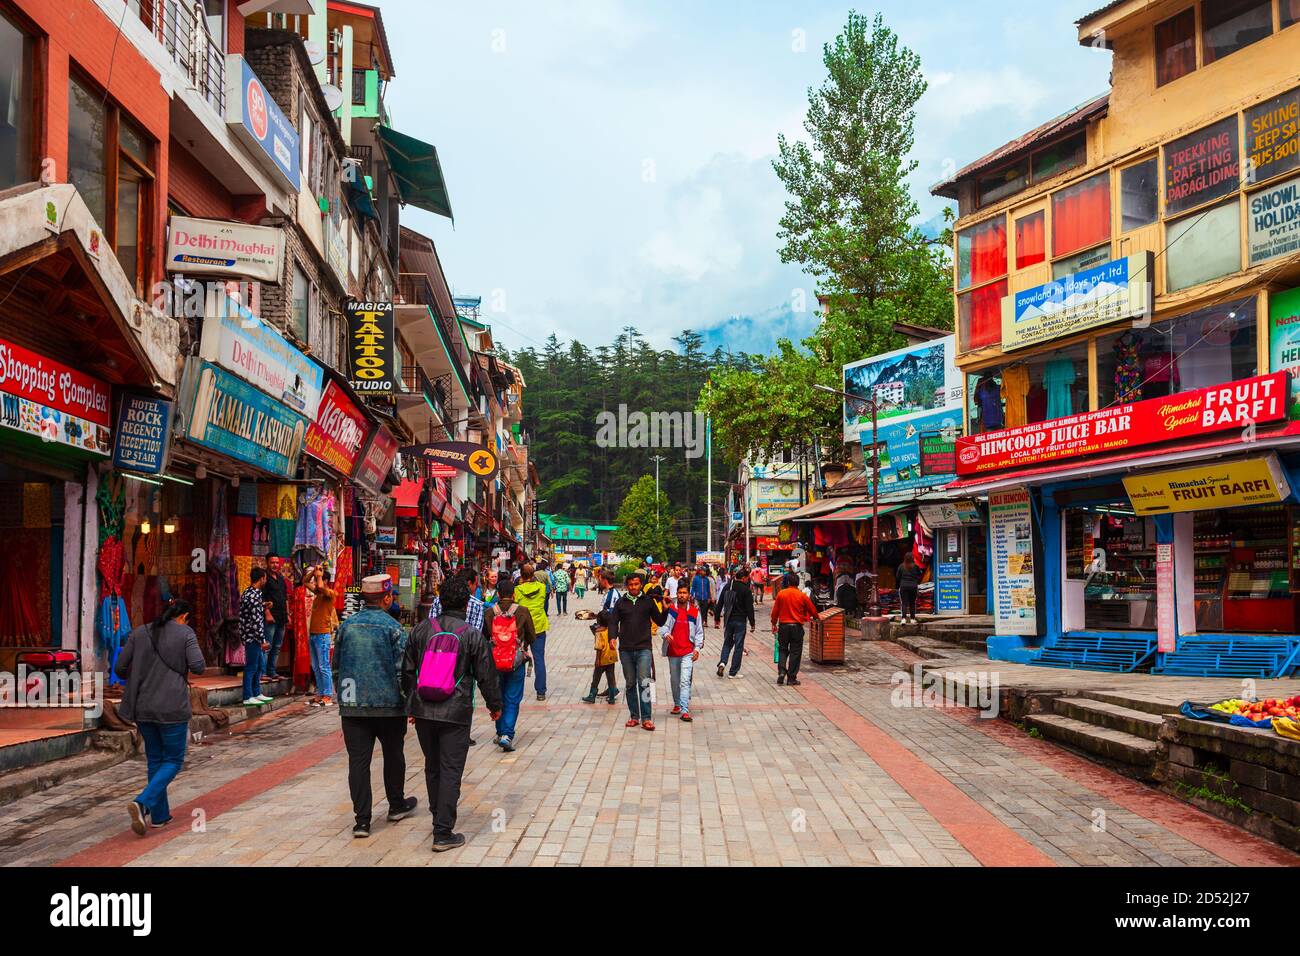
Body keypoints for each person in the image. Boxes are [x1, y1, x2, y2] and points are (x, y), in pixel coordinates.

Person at [401, 573, 502, 852]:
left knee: (433, 766)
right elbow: (486, 674)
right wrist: (495, 707)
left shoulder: (421, 630)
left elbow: (407, 671)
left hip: (423, 710)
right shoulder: (471, 634)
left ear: (441, 600)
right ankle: (442, 831)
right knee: (450, 770)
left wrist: (412, 704)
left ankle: (438, 816)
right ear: (466, 601)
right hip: (456, 712)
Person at [333, 574, 419, 839]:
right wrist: (409, 701)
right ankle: (396, 805)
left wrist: (344, 698)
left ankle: (362, 822)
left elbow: (336, 668)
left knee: (358, 763)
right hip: (389, 707)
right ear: (386, 597)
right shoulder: (394, 629)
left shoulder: (346, 627)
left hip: (353, 708)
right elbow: (402, 671)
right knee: (394, 755)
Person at [118, 599, 206, 835]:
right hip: (172, 706)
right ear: (183, 616)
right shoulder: (185, 633)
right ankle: (142, 803)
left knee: (155, 760)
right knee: (173, 761)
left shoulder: (140, 632)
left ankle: (160, 816)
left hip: (143, 706)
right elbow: (198, 666)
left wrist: (143, 671)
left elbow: (119, 668)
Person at [608, 569, 668, 730]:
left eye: (636, 584)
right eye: (630, 585)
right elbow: (613, 622)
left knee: (644, 682)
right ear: (627, 586)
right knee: (629, 684)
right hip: (626, 649)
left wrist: (666, 608)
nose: (633, 587)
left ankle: (647, 718)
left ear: (641, 585)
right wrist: (612, 638)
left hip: (644, 648)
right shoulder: (621, 603)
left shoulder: (647, 601)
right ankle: (634, 716)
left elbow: (660, 621)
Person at [483, 578, 535, 751]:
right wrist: (523, 647)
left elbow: (484, 637)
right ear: (514, 594)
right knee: (512, 698)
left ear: (498, 594)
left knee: (498, 695)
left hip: (495, 661)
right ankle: (507, 734)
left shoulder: (490, 612)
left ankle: (499, 733)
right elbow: (532, 636)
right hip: (515, 661)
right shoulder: (523, 611)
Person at [662, 588, 704, 722]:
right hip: (673, 651)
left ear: (688, 595)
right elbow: (663, 625)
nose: (682, 595)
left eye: (684, 593)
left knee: (685, 680)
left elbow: (699, 632)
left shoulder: (694, 612)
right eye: (680, 593)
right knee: (674, 680)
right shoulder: (671, 610)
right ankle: (677, 704)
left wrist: (697, 648)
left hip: (688, 651)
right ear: (677, 594)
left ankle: (685, 710)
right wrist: (666, 634)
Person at [771, 572, 817, 686]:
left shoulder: (781, 594)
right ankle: (791, 678)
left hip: (783, 626)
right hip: (797, 627)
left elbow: (775, 612)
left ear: (788, 582)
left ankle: (782, 671)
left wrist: (773, 623)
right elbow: (813, 610)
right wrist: (817, 617)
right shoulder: (801, 595)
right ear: (797, 583)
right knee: (795, 652)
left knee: (782, 649)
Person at [515, 561, 550, 701]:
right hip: (539, 626)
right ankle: (541, 692)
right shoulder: (542, 587)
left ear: (521, 576)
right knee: (539, 658)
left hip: (522, 628)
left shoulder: (517, 590)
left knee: (518, 657)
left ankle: (517, 688)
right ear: (533, 574)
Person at [584, 575, 622, 704]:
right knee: (610, 674)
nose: (599, 581)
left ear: (605, 580)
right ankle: (612, 692)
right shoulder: (609, 593)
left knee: (597, 675)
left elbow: (611, 614)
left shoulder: (613, 595)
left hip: (602, 657)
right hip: (611, 655)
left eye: (600, 579)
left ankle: (592, 694)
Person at [239, 568, 273, 706]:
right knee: (251, 667)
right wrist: (262, 640)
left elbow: (253, 609)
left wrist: (264, 605)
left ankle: (256, 692)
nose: (265, 580)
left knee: (258, 666)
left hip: (251, 635)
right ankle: (248, 696)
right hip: (252, 637)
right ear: (262, 578)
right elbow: (256, 620)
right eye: (265, 578)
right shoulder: (254, 595)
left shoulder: (249, 593)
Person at [306, 566, 338, 706]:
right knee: (315, 665)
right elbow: (305, 582)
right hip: (314, 634)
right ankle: (320, 693)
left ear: (325, 580)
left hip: (323, 634)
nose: (315, 580)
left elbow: (319, 585)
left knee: (323, 665)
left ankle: (328, 695)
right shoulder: (318, 594)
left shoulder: (330, 593)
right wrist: (313, 573)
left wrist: (318, 576)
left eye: (319, 577)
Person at [716, 566, 755, 679]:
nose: (748, 580)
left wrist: (717, 618)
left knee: (727, 643)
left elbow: (720, 604)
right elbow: (749, 608)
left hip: (728, 620)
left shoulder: (728, 586)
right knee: (738, 646)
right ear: (743, 578)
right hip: (740, 621)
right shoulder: (746, 590)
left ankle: (723, 662)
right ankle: (733, 672)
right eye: (747, 578)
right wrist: (752, 623)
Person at [261, 553, 289, 682]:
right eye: (272, 562)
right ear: (267, 563)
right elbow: (262, 597)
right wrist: (267, 613)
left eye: (277, 563)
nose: (275, 565)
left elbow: (285, 598)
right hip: (271, 617)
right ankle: (262, 672)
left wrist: (288, 614)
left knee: (277, 646)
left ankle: (272, 671)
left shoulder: (280, 578)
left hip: (281, 617)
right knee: (267, 645)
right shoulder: (264, 578)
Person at [898, 553, 923, 625]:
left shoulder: (901, 566)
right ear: (912, 558)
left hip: (904, 586)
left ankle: (903, 619)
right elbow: (919, 574)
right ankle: (912, 619)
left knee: (904, 603)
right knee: (912, 603)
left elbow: (897, 576)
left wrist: (902, 581)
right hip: (913, 586)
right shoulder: (915, 566)